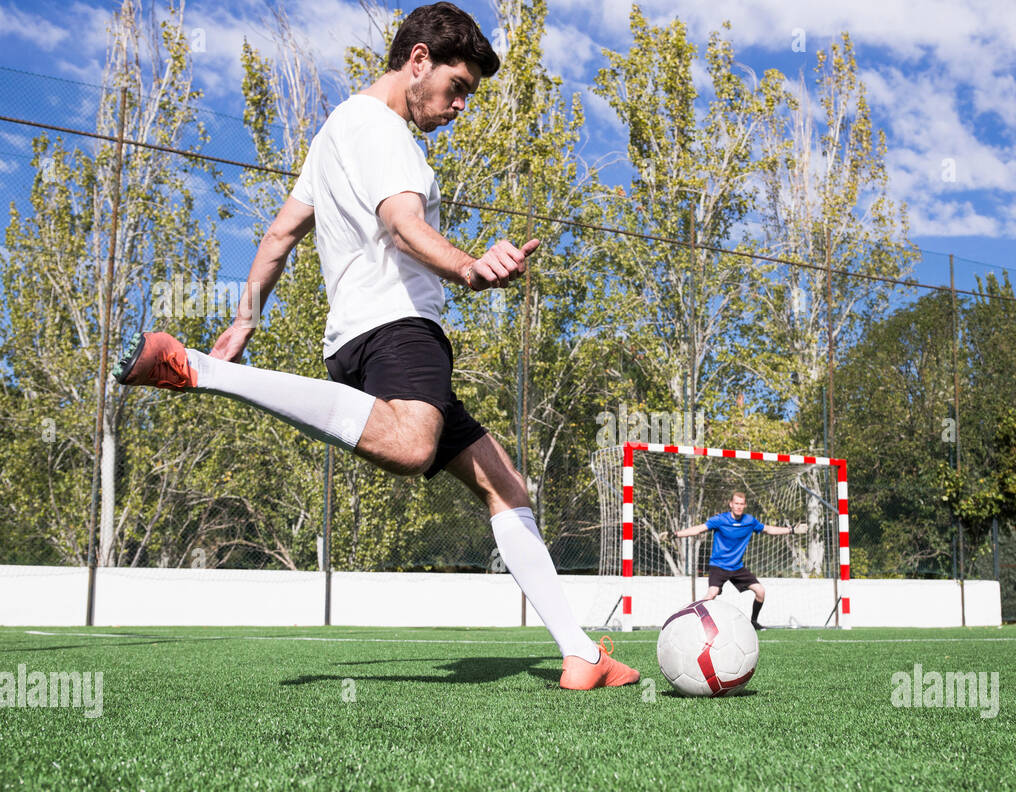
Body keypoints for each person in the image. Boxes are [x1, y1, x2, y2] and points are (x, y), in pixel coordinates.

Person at [112, 2, 637, 690]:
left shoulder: (337, 131)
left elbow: (279, 235)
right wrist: (469, 266)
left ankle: (582, 656)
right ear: (418, 59)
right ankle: (201, 371)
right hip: (399, 327)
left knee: (505, 486)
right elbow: (401, 224)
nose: (457, 108)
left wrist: (246, 317)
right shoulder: (387, 132)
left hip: (356, 338)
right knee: (413, 443)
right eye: (457, 88)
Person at [672, 491, 806, 630]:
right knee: (712, 593)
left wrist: (791, 530)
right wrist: (675, 534)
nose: (739, 506)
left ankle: (753, 622)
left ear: (745, 505)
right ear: (731, 504)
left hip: (737, 567)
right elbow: (698, 529)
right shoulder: (720, 520)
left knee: (760, 591)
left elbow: (769, 529)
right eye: (736, 503)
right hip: (719, 565)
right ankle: (693, 623)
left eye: (741, 504)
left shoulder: (749, 521)